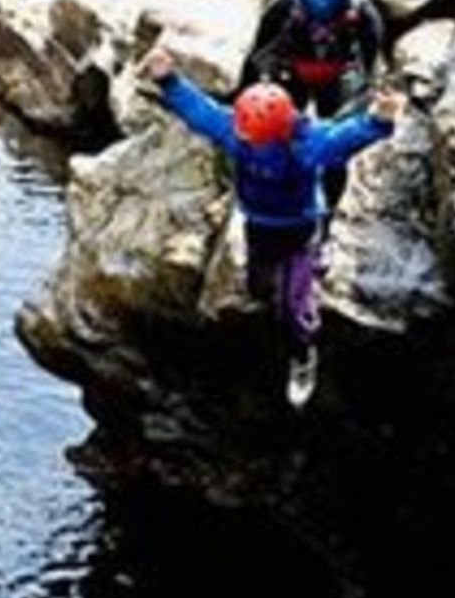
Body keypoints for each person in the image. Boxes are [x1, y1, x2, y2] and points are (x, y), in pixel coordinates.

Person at [141, 46, 404, 409]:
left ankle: (303, 354)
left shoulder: (305, 144)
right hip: (259, 223)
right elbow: (202, 112)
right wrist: (168, 79)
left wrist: (378, 120)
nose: (246, 141)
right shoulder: (239, 133)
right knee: (258, 286)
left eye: (253, 137)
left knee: (295, 305)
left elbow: (345, 136)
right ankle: (279, 288)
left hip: (299, 229)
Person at [241, 0, 386, 207]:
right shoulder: (285, 6)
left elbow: (368, 77)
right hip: (294, 70)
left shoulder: (365, 16)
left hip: (338, 75)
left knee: (335, 150)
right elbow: (258, 55)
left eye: (328, 22)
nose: (321, 29)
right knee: (280, 134)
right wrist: (249, 98)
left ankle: (327, 206)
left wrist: (347, 120)